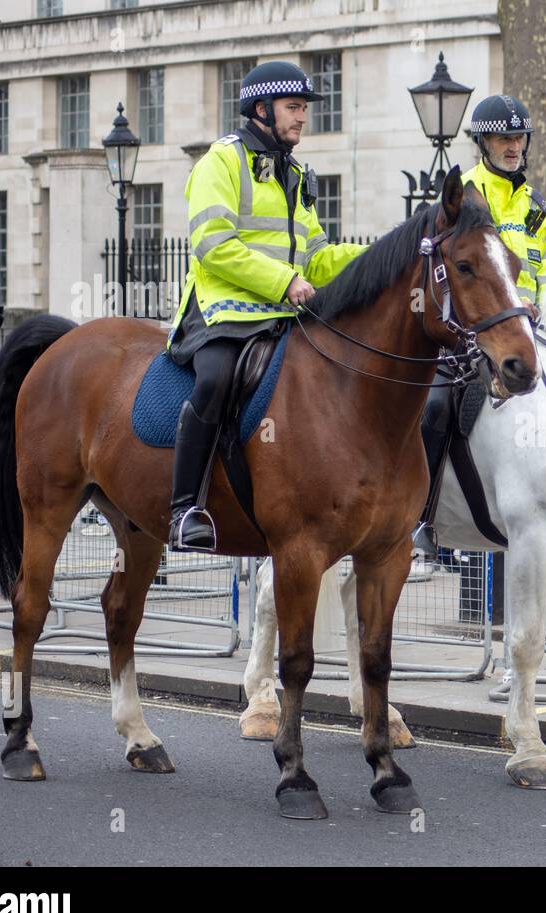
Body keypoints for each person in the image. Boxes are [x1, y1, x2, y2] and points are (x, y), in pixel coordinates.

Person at [165, 61, 367, 552]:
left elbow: (317, 257)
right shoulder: (221, 160)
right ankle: (184, 507)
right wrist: (284, 281)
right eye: (293, 107)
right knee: (215, 379)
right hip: (221, 310)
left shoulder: (295, 172)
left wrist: (381, 257)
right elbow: (213, 244)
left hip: (280, 312)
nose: (303, 118)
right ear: (261, 109)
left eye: (304, 108)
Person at [412, 93, 546, 567]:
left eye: (520, 137)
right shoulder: (466, 197)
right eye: (504, 137)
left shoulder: (534, 203)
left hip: (527, 332)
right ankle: (421, 519)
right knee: (436, 406)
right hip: (470, 334)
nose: (514, 145)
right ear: (483, 142)